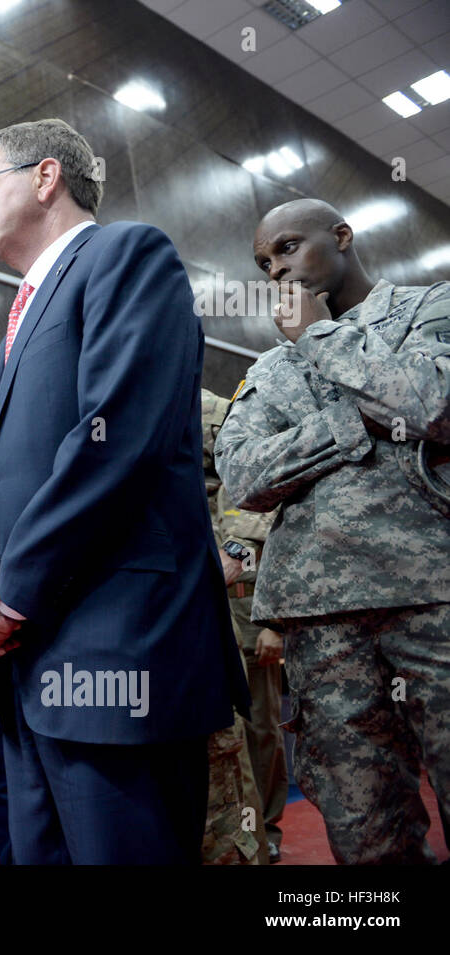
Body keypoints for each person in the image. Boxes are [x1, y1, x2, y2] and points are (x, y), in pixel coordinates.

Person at [0, 118, 249, 864]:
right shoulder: (15, 324)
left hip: (113, 655)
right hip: (25, 665)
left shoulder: (125, 255)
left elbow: (117, 439)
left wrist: (12, 592)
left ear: (46, 177)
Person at [215, 198, 450, 864]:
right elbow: (244, 473)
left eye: (288, 248)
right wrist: (352, 425)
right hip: (323, 623)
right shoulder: (268, 369)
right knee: (364, 827)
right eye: (265, 263)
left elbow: (433, 403)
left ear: (342, 236)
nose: (277, 271)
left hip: (433, 595)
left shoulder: (431, 307)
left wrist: (321, 337)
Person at [204, 389, 288, 862]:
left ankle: (266, 831)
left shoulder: (212, 413)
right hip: (196, 608)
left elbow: (261, 495)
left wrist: (275, 621)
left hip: (246, 604)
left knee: (259, 725)